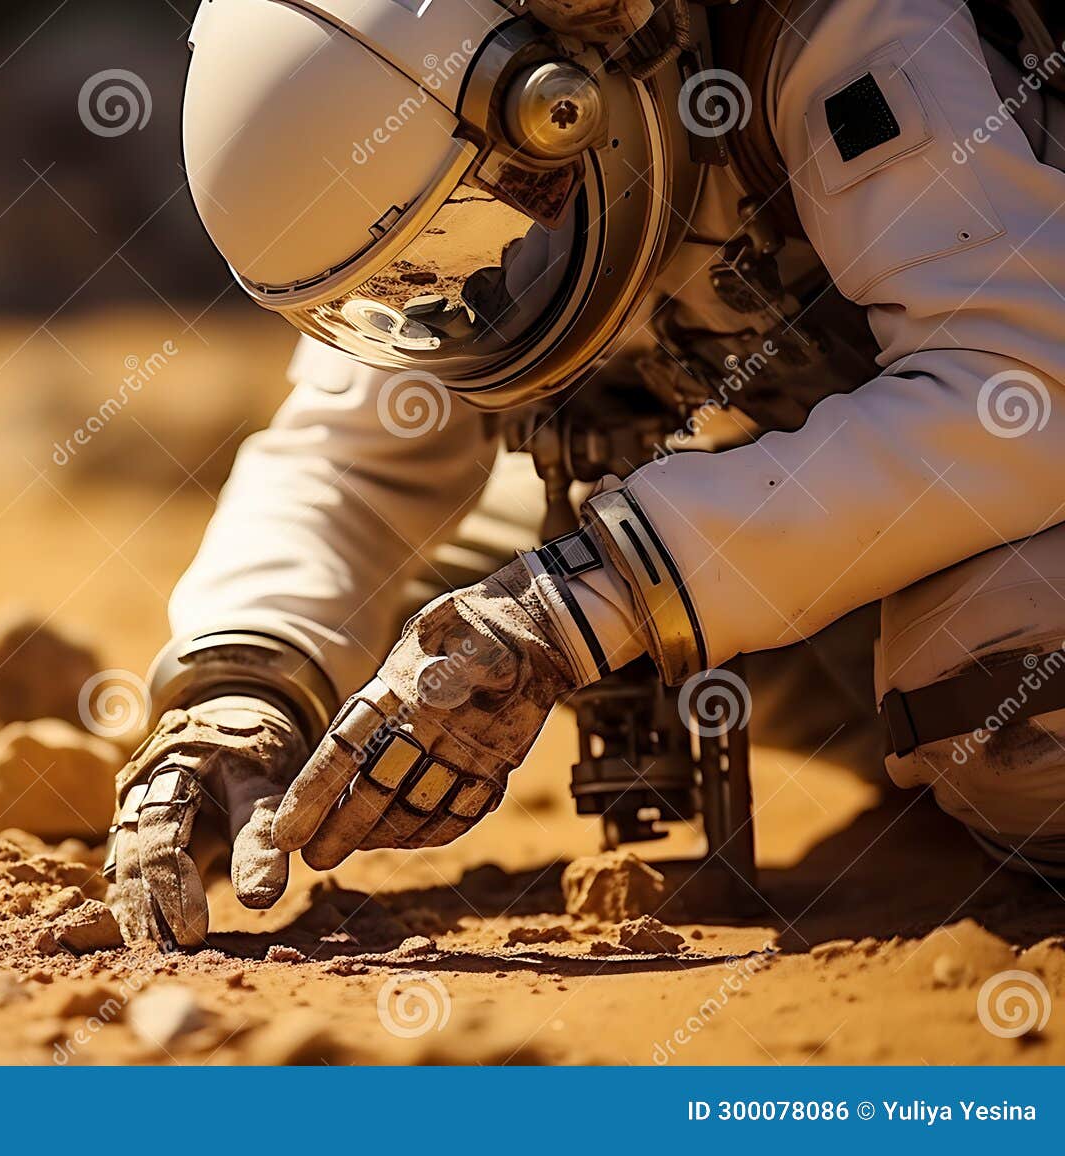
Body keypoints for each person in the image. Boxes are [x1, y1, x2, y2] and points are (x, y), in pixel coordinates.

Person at [104, 0, 1065, 946]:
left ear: (566, 99)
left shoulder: (838, 30)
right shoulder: (431, 158)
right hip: (867, 573)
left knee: (998, 678)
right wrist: (240, 690)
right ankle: (908, 752)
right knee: (435, 640)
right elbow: (348, 464)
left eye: (490, 233)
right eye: (395, 299)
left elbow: (1021, 392)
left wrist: (587, 601)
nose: (469, 300)